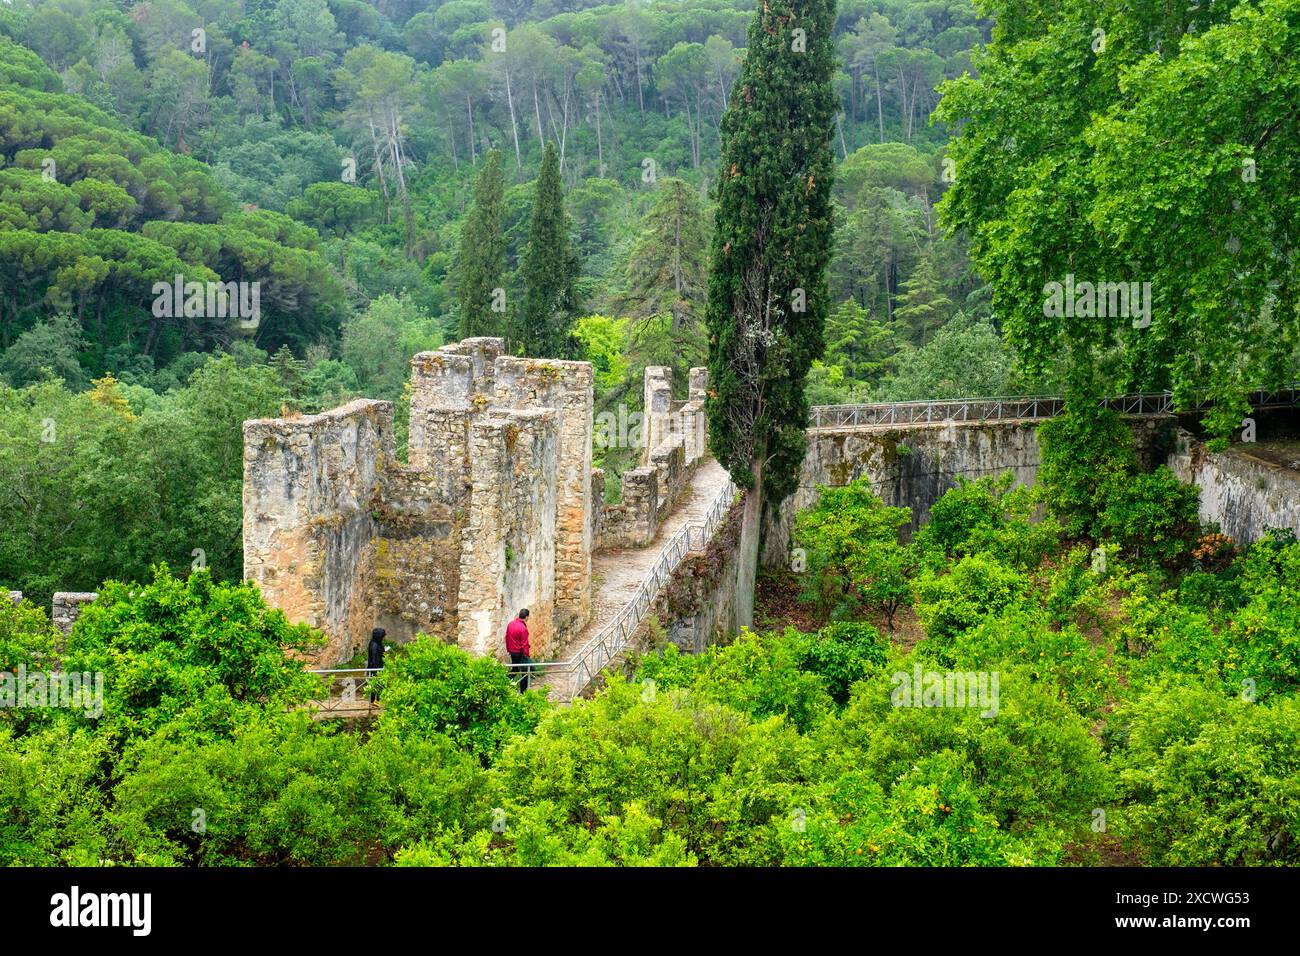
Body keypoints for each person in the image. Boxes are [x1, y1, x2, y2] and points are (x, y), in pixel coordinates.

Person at [505, 609, 531, 692]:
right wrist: (527, 655)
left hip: (512, 652)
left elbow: (507, 637)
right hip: (519, 653)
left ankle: (504, 682)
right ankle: (523, 692)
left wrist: (509, 649)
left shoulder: (510, 624)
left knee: (515, 670)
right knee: (526, 671)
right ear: (526, 617)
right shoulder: (523, 628)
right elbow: (524, 644)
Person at [367, 627, 386, 703]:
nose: (384, 638)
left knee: (378, 685)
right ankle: (374, 701)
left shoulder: (376, 642)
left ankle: (376, 700)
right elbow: (375, 659)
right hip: (376, 668)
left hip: (377, 667)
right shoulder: (374, 645)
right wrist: (378, 670)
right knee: (376, 685)